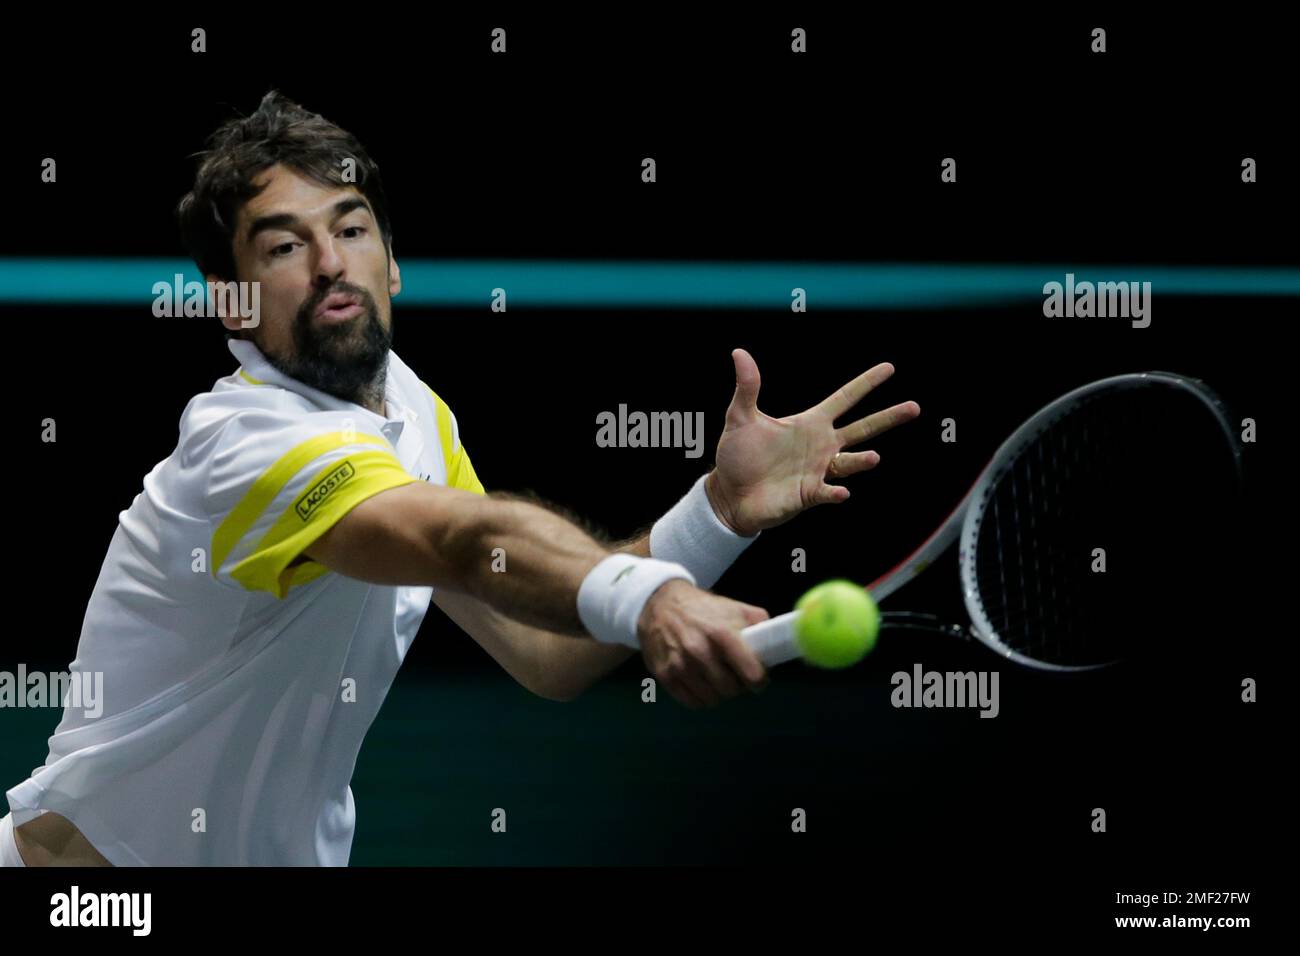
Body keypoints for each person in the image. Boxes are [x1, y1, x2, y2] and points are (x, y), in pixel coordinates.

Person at [2, 91, 919, 866]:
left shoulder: (411, 412)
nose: (330, 263)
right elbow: (467, 540)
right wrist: (649, 600)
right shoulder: (245, 442)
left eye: (351, 229)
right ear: (228, 300)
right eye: (282, 247)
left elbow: (547, 652)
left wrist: (713, 515)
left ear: (392, 263)